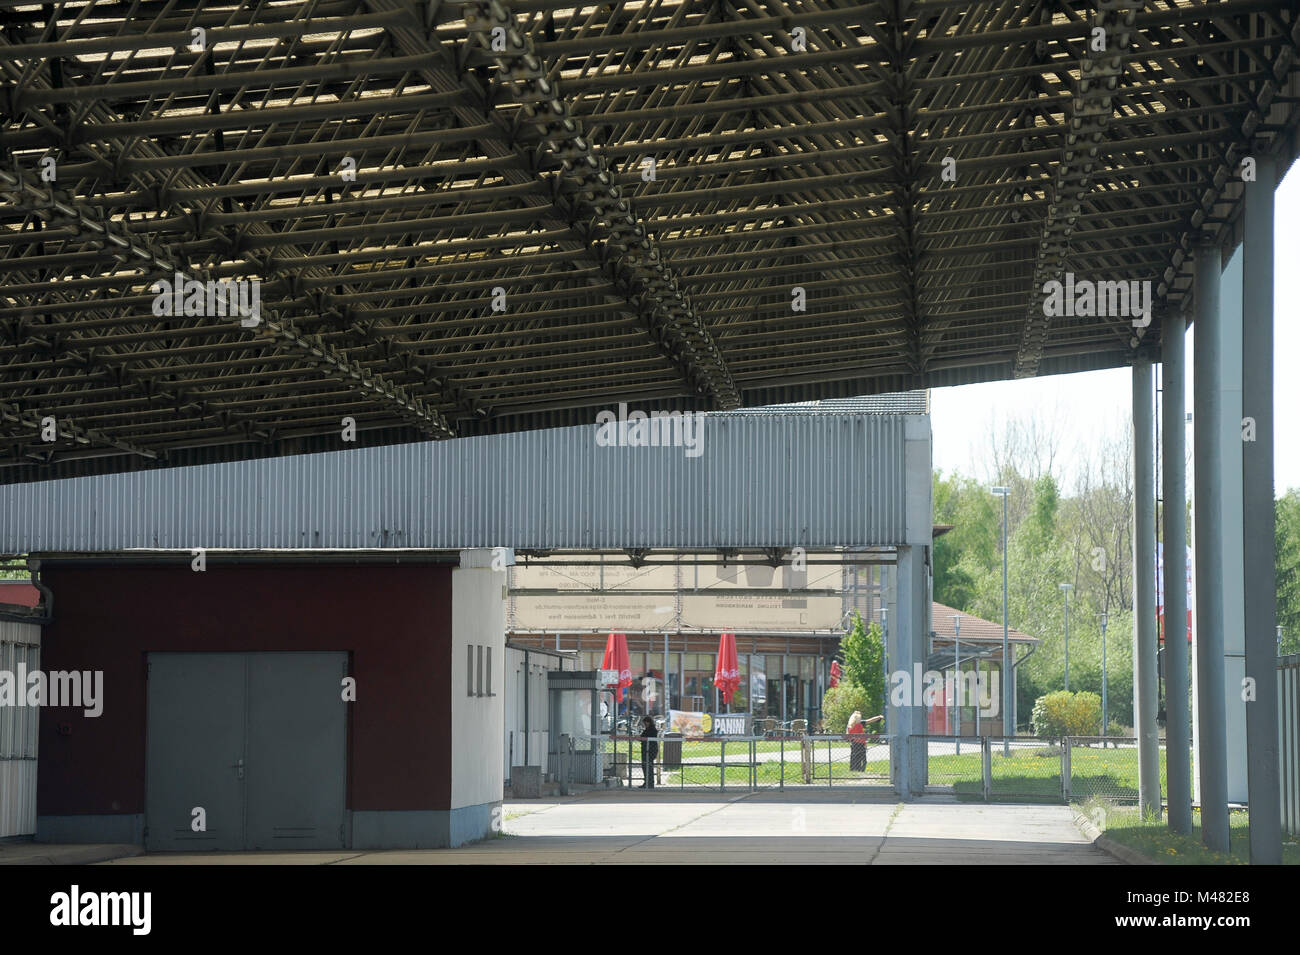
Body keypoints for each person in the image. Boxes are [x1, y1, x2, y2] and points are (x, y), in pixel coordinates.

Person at [639, 715, 659, 789]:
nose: (645, 724)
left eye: (646, 723)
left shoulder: (652, 730)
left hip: (650, 750)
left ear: (649, 722)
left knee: (649, 767)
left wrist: (642, 738)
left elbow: (647, 738)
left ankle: (650, 782)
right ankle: (647, 782)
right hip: (645, 750)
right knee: (645, 766)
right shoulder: (647, 730)